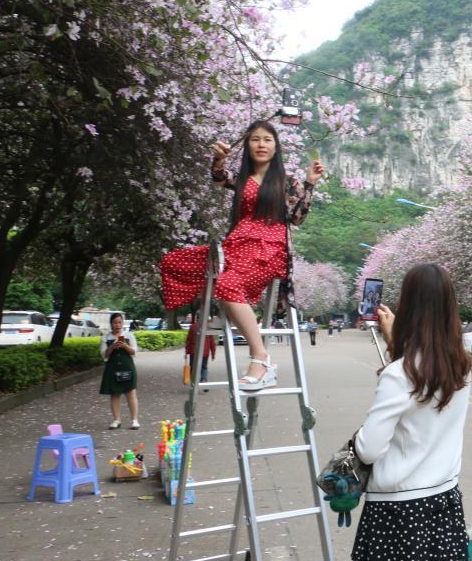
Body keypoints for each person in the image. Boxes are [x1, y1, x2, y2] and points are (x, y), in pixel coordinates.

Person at [159, 120, 324, 391]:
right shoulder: (242, 178)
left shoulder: (287, 181)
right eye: (255, 139)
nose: (261, 144)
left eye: (267, 139)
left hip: (269, 248)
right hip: (236, 246)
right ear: (247, 145)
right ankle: (226, 311)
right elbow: (219, 177)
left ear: (276, 146)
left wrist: (309, 184)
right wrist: (218, 159)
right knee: (174, 262)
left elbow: (296, 218)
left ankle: (261, 358)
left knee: (225, 284)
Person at [351, 264, 472, 561]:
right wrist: (396, 345)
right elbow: (424, 373)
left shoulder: (399, 375)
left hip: (398, 512)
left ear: (408, 307)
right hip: (443, 502)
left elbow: (368, 450)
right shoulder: (462, 367)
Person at [99, 312, 140, 429]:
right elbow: (104, 354)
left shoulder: (129, 335)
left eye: (119, 322)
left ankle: (134, 420)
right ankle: (116, 420)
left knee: (131, 393)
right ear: (111, 324)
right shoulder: (106, 337)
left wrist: (124, 345)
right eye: (115, 323)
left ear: (122, 323)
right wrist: (112, 346)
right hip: (112, 369)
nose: (117, 325)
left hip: (127, 367)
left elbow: (134, 351)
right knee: (115, 395)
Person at [185, 314, 216, 386]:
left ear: (197, 318)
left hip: (194, 352)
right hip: (205, 353)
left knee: (193, 367)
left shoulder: (193, 327)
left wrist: (186, 352)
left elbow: (188, 340)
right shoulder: (207, 328)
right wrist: (213, 354)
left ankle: (194, 382)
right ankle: (204, 379)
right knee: (204, 367)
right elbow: (212, 343)